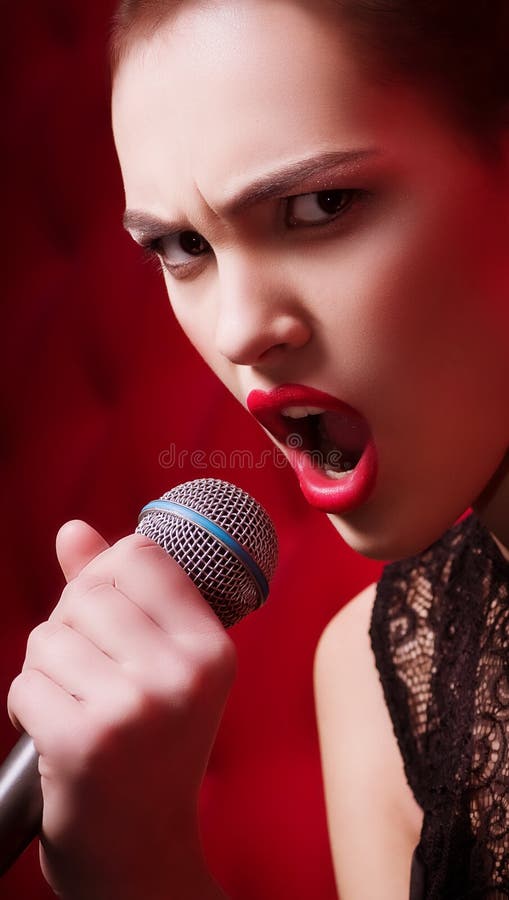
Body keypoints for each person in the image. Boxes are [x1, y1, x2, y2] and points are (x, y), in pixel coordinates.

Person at [7, 0, 509, 897]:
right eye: (181, 246)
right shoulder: (381, 681)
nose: (237, 330)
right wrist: (139, 866)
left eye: (318, 206)